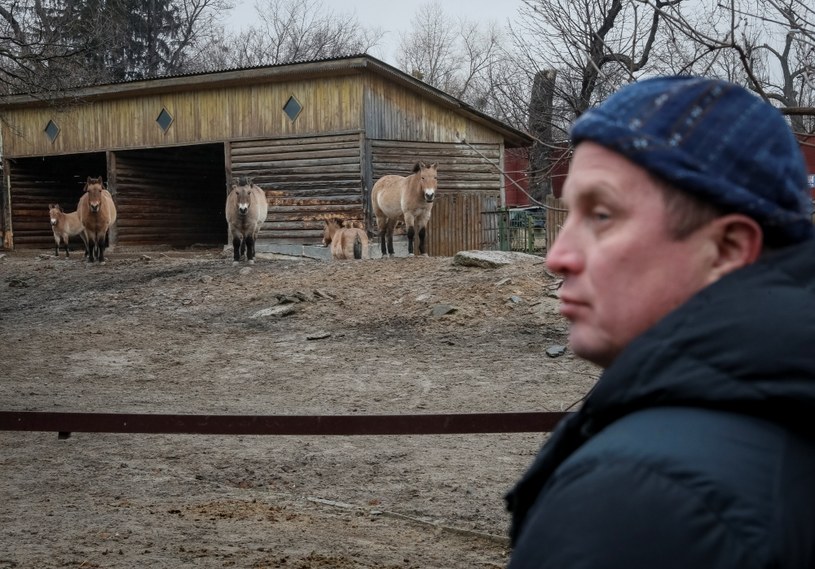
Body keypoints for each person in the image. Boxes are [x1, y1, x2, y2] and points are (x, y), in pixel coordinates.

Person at [505, 76, 815, 568]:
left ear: (727, 249)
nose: (558, 256)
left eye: (601, 215)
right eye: (567, 217)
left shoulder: (642, 499)